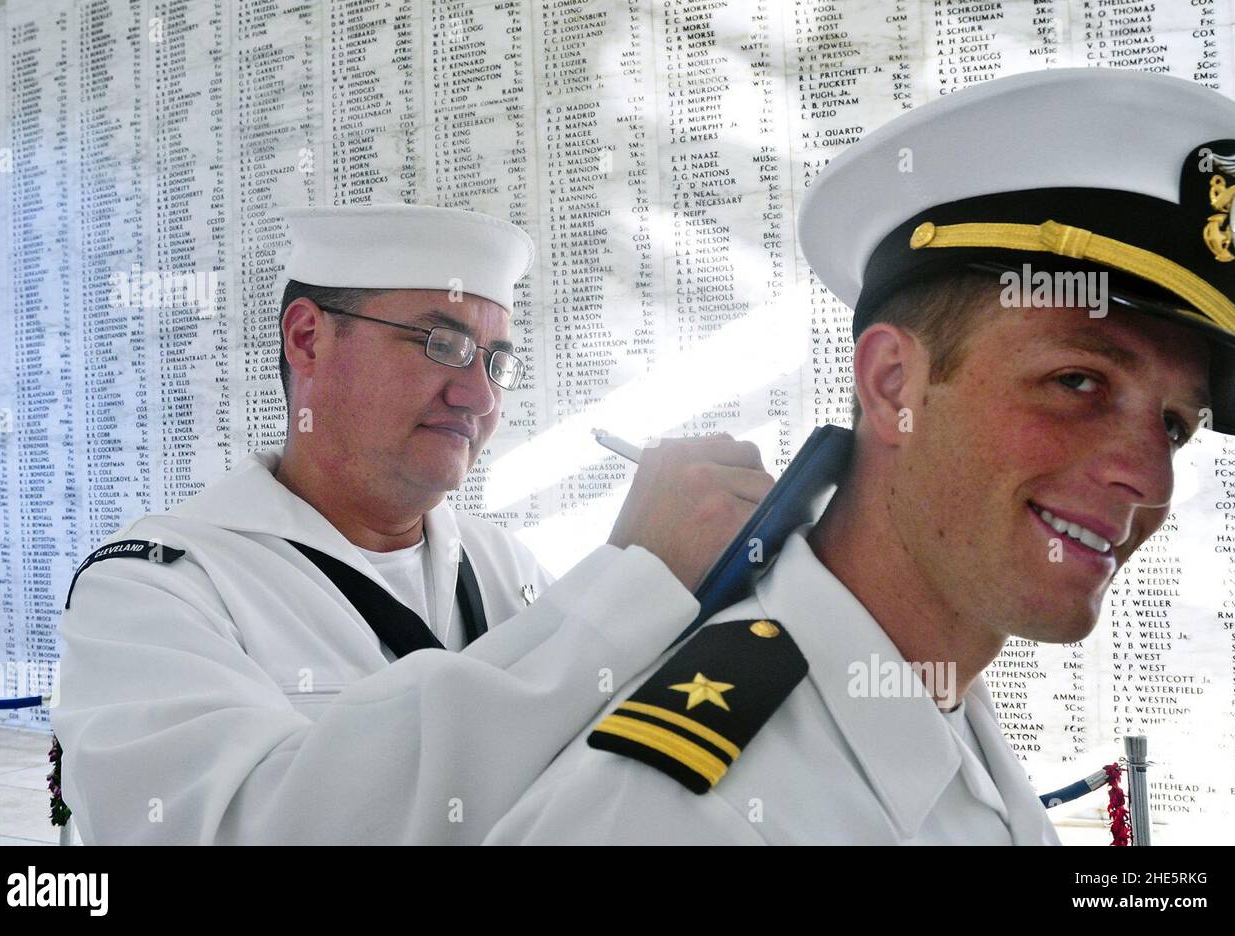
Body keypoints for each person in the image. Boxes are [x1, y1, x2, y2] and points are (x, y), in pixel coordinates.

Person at [484, 68, 1235, 844]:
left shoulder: (948, 722)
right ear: (894, 386)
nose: (1149, 479)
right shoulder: (677, 815)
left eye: (1173, 426)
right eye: (1078, 381)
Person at [52, 204, 773, 844]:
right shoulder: (154, 589)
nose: (477, 394)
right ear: (307, 339)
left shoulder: (507, 569)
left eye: (497, 360)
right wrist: (628, 582)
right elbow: (244, 829)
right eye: (441, 344)